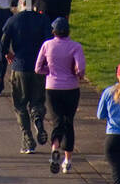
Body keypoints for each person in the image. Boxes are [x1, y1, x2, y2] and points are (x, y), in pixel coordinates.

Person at [0, 0, 52, 153]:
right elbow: (49, 40)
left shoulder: (13, 20)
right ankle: (37, 118)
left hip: (19, 66)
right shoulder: (42, 19)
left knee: (20, 104)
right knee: (37, 101)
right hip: (38, 67)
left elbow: (2, 44)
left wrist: (7, 53)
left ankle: (28, 139)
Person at [34, 17, 86, 174]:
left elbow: (38, 68)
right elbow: (81, 68)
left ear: (53, 31)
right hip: (71, 88)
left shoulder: (47, 45)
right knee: (68, 122)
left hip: (52, 88)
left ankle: (55, 146)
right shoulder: (75, 47)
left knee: (57, 121)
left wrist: (48, 72)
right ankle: (67, 159)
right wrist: (77, 75)